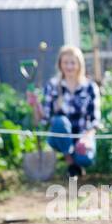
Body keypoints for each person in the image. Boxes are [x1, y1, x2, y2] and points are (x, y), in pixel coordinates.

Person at [27, 45, 101, 177]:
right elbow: (43, 118)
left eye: (73, 62)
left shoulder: (90, 87)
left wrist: (87, 138)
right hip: (60, 136)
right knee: (60, 121)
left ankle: (78, 161)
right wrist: (35, 105)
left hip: (82, 135)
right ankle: (70, 161)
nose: (69, 66)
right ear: (60, 64)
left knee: (86, 159)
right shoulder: (53, 85)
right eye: (65, 62)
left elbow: (95, 119)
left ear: (79, 64)